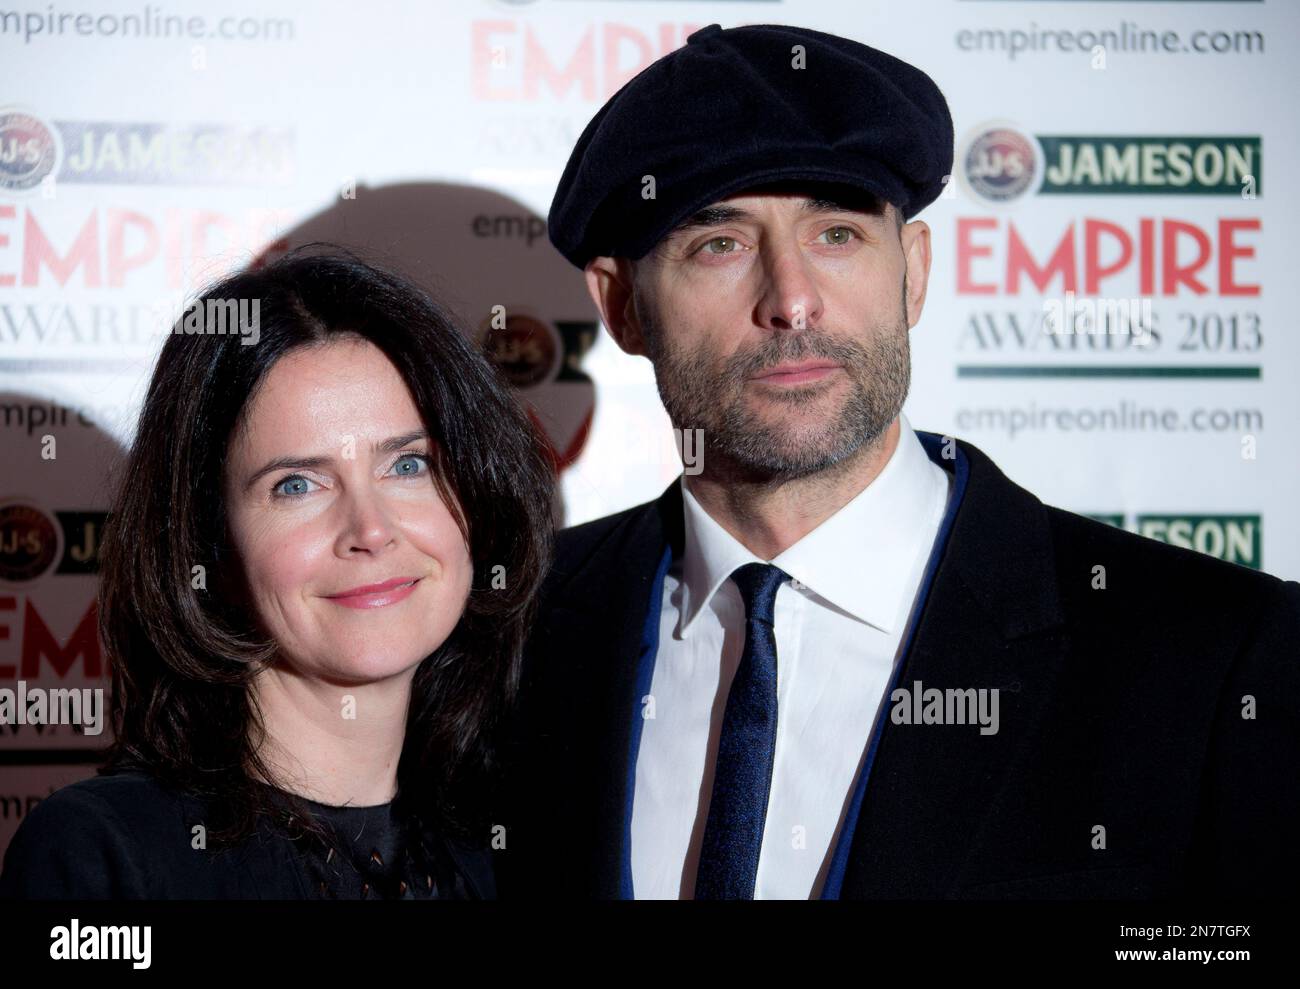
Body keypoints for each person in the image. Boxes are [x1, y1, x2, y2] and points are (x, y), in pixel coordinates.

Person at [496, 23, 1300, 899]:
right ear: (622, 308)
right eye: (718, 245)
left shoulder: (1211, 659)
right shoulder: (506, 636)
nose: (792, 301)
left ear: (913, 272)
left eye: (837, 234)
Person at [0, 248, 554, 899]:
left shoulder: (516, 850)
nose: (371, 530)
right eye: (297, 483)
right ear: (209, 542)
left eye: (407, 465)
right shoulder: (108, 856)